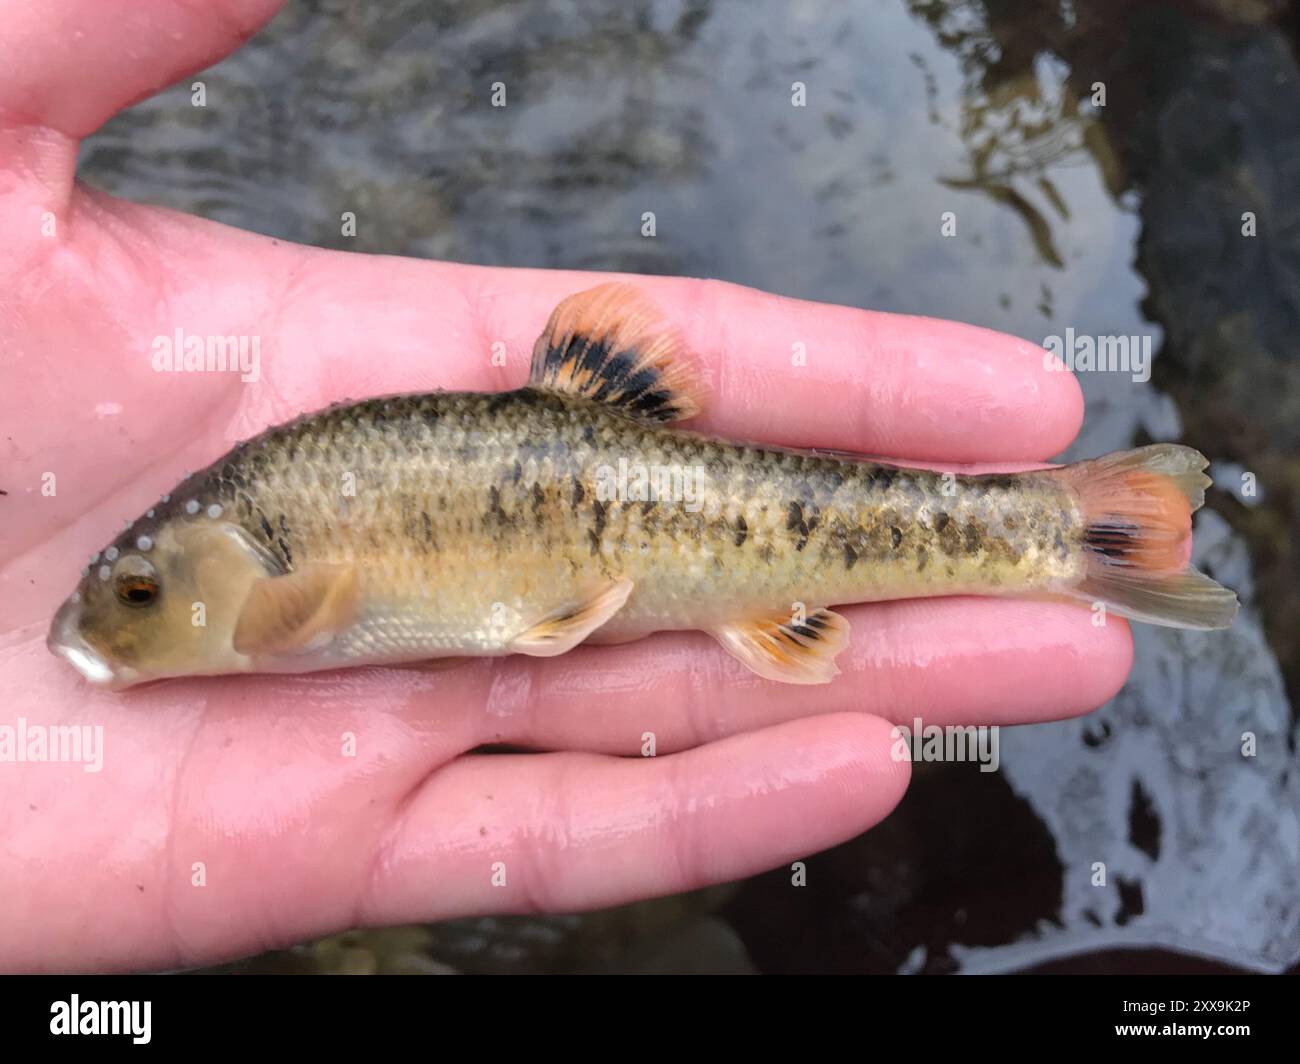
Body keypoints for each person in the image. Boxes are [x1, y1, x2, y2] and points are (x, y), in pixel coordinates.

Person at [0, 0, 1131, 973]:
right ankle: (1058, 531)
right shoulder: (255, 527)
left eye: (140, 593)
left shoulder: (269, 566)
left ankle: (1054, 530)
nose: (115, 615)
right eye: (135, 594)